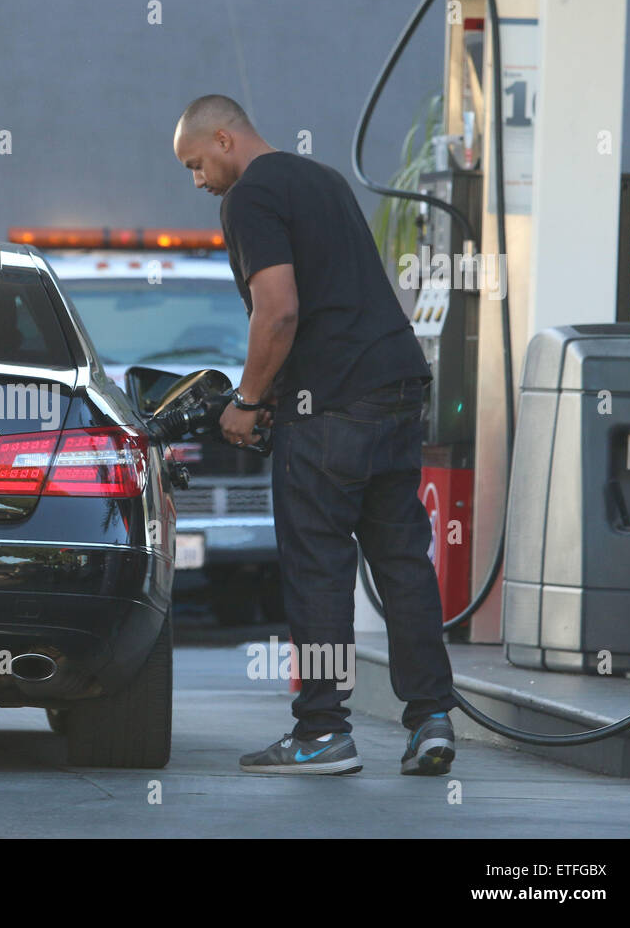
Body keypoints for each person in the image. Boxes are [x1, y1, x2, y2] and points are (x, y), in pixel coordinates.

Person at [172, 94, 459, 776]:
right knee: (403, 566)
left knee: (318, 574)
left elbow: (279, 311)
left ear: (223, 138)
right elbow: (340, 298)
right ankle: (432, 721)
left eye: (195, 163)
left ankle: (323, 731)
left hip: (330, 411)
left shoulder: (248, 197)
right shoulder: (323, 179)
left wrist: (245, 402)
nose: (196, 180)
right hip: (395, 395)